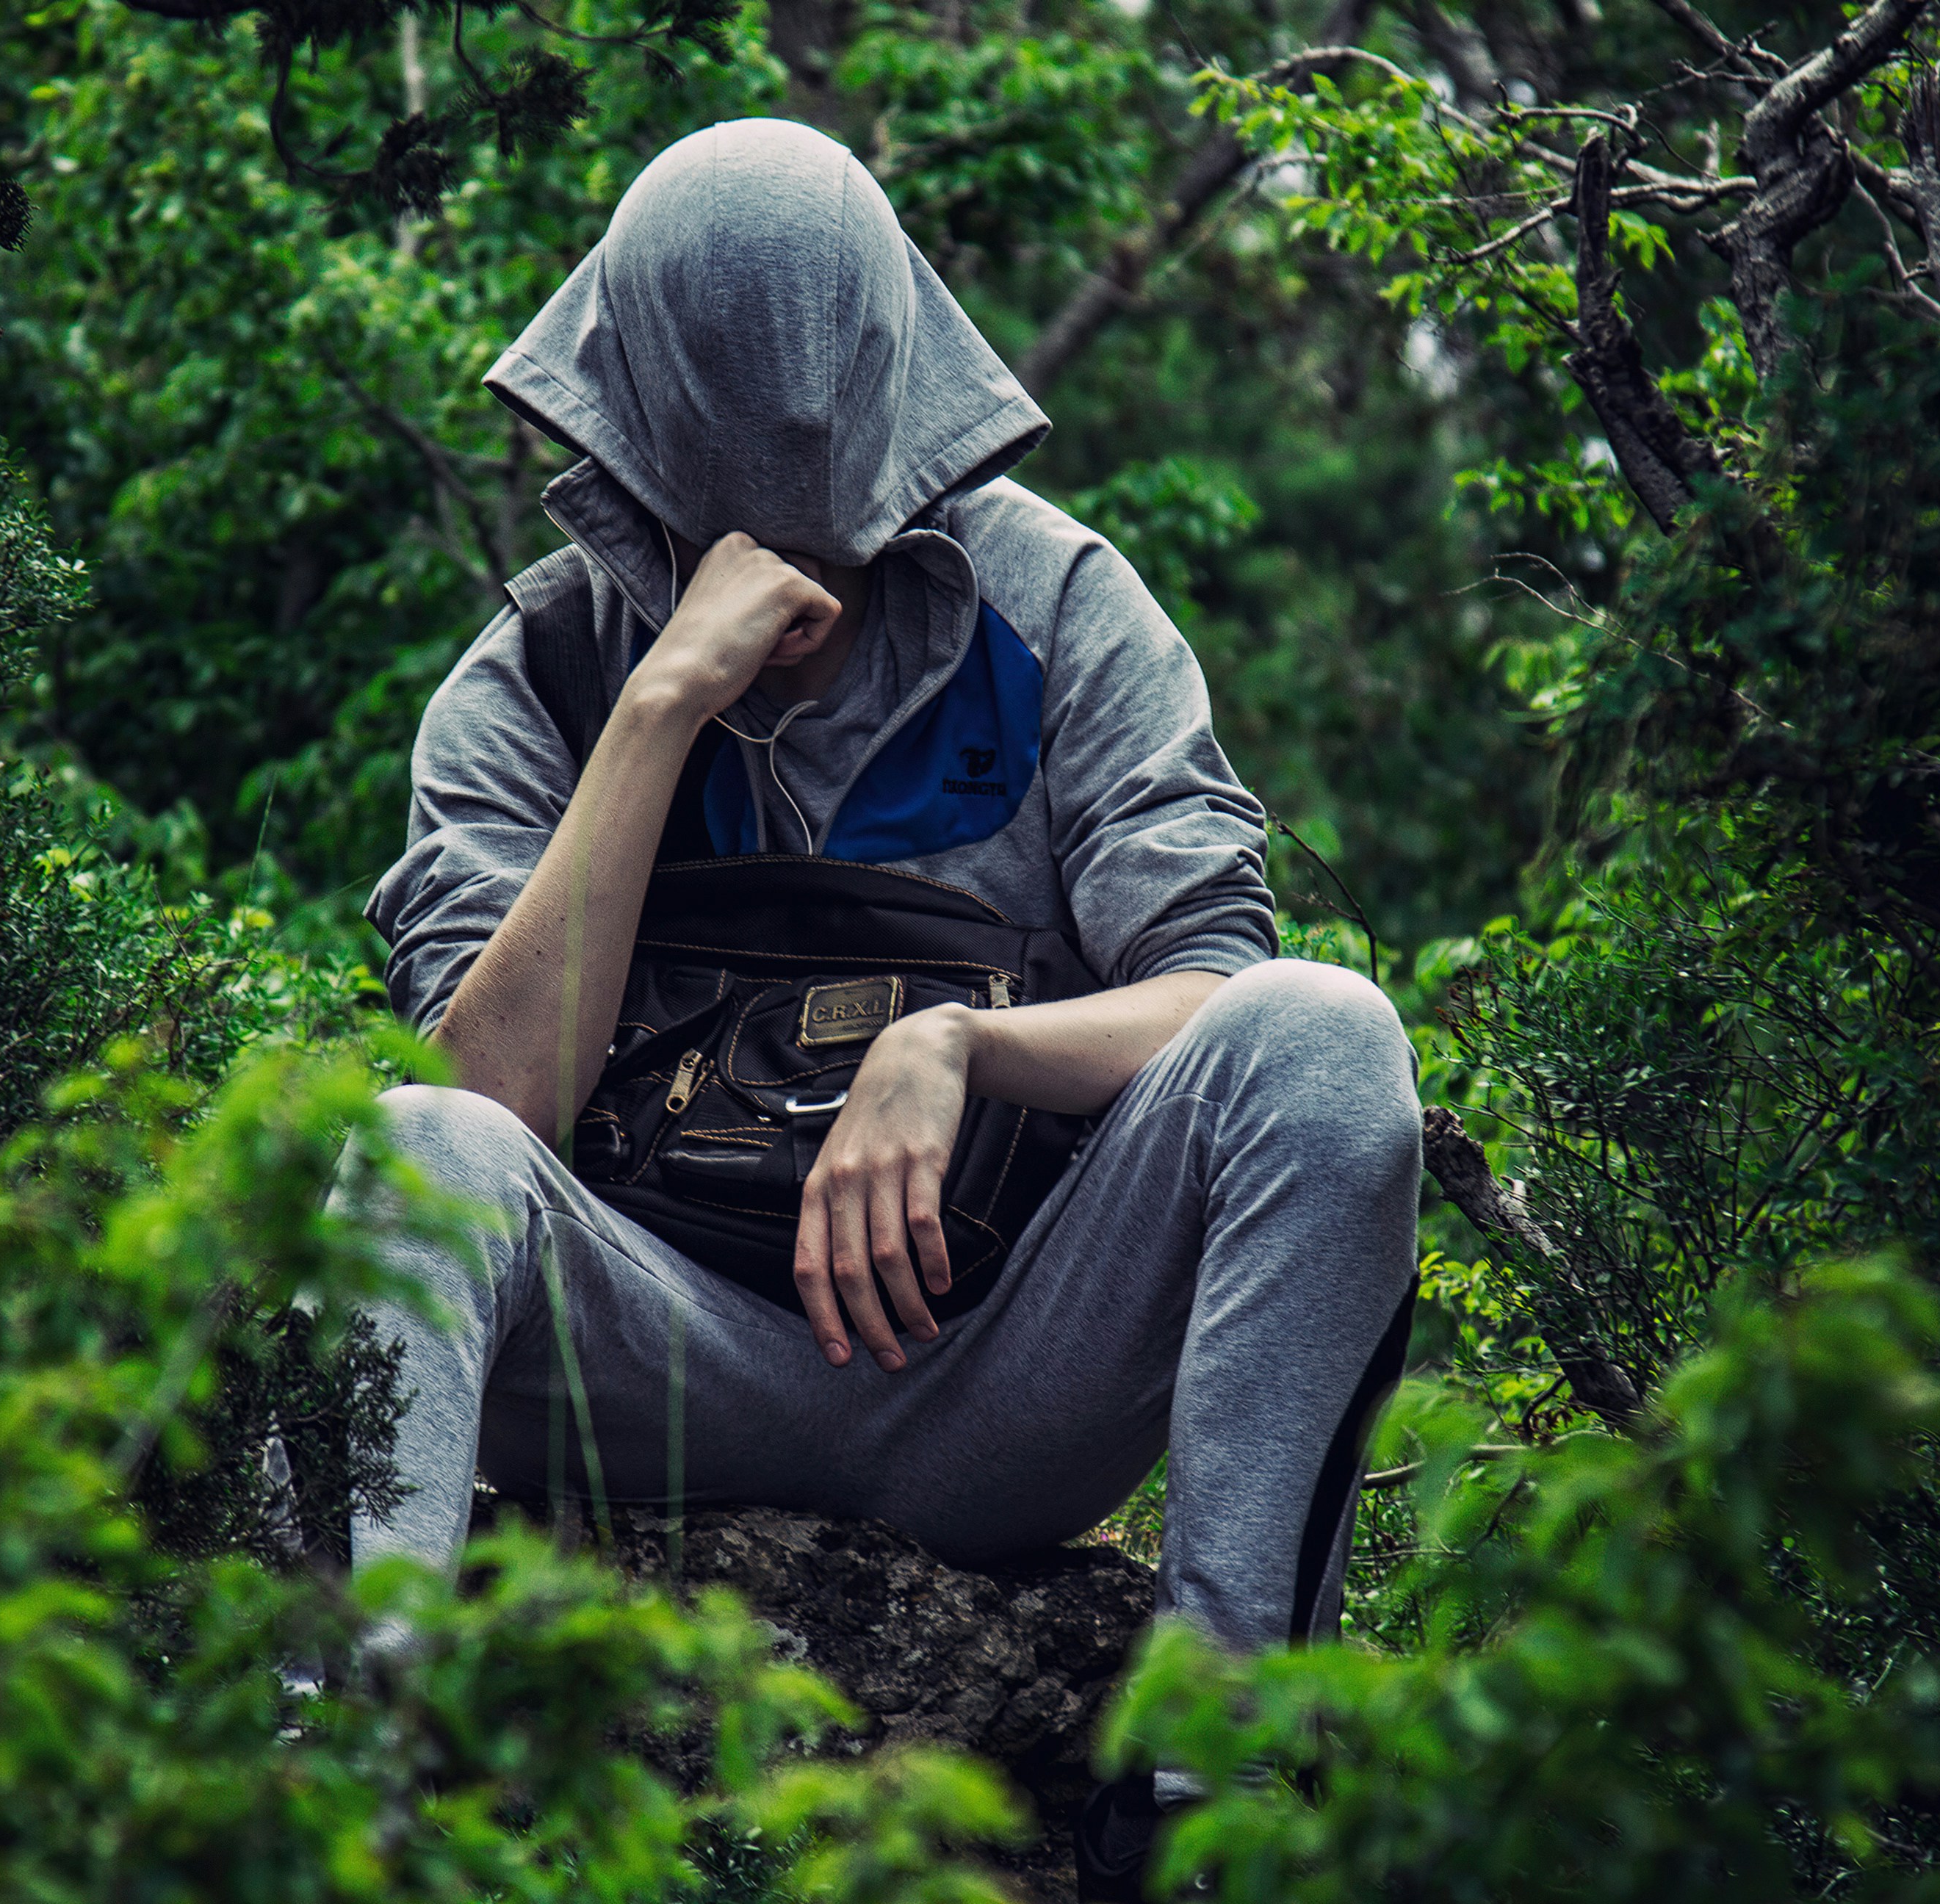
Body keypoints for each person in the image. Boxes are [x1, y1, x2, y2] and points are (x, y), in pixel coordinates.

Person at [356, 116, 1421, 1894]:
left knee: (1336, 1036)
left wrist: (960, 1044)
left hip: (997, 1375)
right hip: (651, 1372)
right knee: (405, 1142)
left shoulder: (1062, 607)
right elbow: (481, 1114)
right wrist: (658, 712)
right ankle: (342, 1759)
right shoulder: (535, 678)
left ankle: (1212, 1795)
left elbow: (1224, 996)